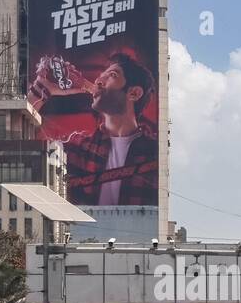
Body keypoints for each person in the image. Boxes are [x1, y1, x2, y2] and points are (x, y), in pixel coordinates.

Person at [28, 51, 159, 206]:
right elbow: (21, 153)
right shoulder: (77, 147)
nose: (98, 81)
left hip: (135, 230)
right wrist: (40, 90)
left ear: (134, 93)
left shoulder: (154, 153)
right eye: (100, 75)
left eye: (112, 75)